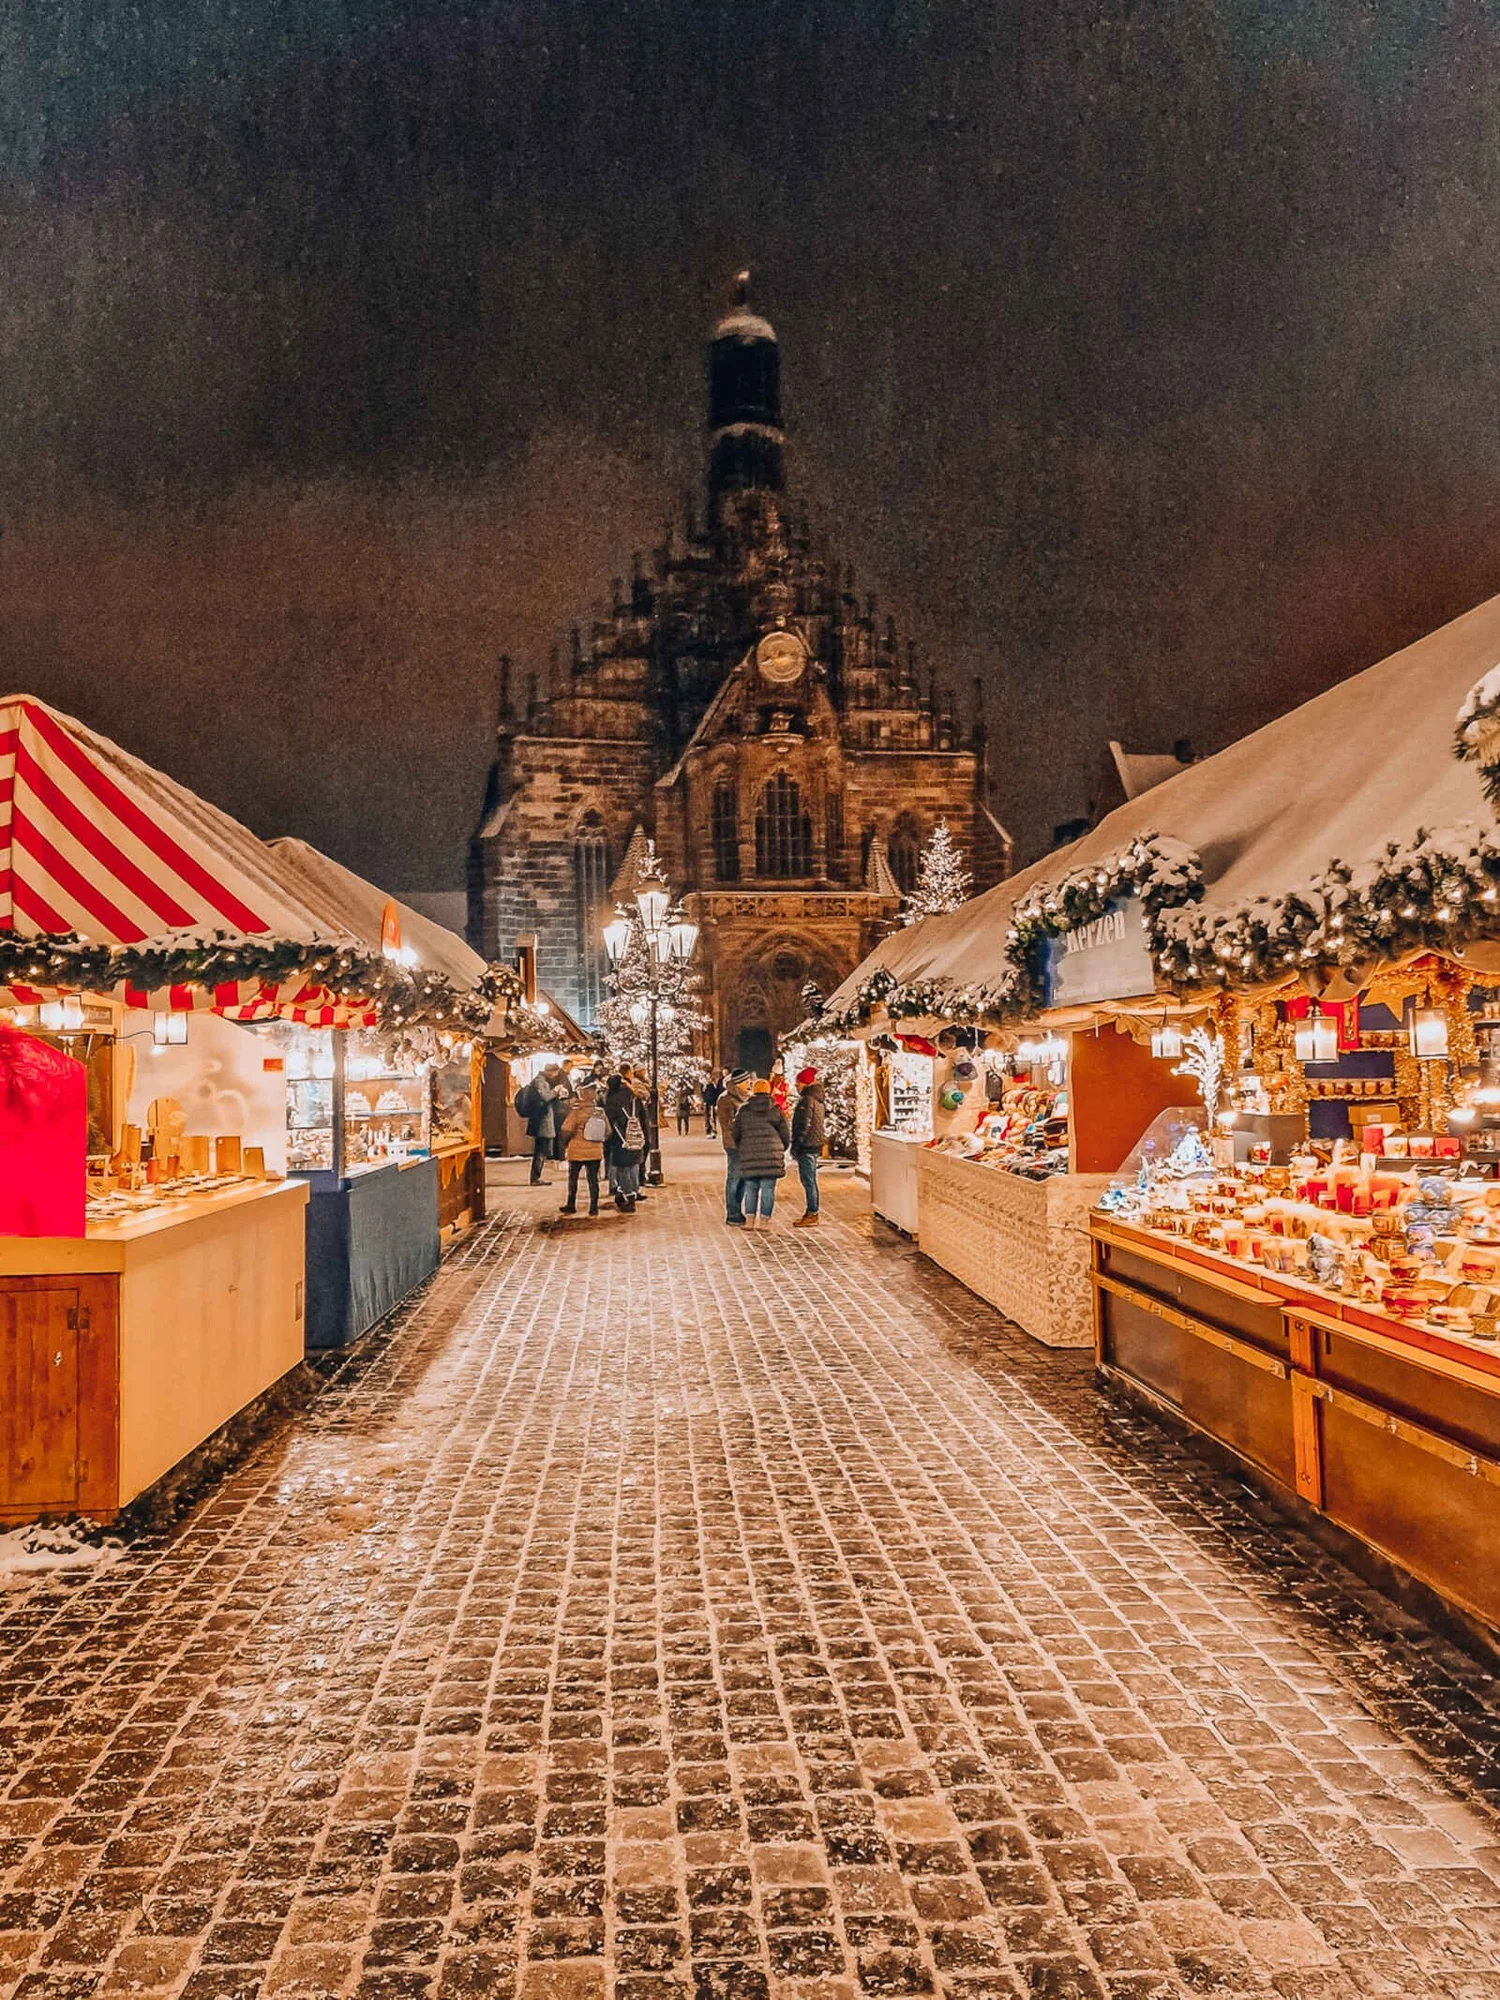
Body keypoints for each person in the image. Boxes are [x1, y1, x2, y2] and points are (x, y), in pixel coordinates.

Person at [733, 1078, 790, 1231]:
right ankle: (765, 1221)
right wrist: (781, 1148)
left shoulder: (744, 1111)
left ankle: (750, 1220)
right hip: (771, 1154)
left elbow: (736, 1133)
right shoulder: (775, 1110)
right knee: (768, 1188)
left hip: (750, 1154)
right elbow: (785, 1134)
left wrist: (742, 1148)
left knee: (750, 1187)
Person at [559, 1082, 607, 1215]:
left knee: (573, 1178)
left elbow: (566, 1129)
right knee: (593, 1180)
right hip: (595, 1151)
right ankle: (593, 1207)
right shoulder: (600, 1112)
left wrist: (566, 1143)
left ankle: (571, 1204)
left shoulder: (576, 1111)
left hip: (576, 1150)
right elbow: (608, 1131)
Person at [716, 1068, 754, 1225]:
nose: (750, 1084)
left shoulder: (745, 1096)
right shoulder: (726, 1099)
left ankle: (738, 1210)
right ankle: (732, 1212)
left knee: (743, 1178)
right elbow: (728, 1124)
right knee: (734, 1177)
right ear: (738, 1084)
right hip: (734, 1144)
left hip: (745, 1143)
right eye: (746, 1082)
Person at [605, 1071, 647, 1211]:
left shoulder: (611, 1100)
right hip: (636, 1137)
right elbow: (644, 1118)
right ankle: (627, 1192)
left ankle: (629, 1198)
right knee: (633, 1166)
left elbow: (609, 1123)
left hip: (620, 1139)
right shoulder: (634, 1098)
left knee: (622, 1170)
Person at [790, 1067, 826, 1226]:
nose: (796, 1086)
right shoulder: (817, 1099)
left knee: (808, 1180)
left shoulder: (807, 1100)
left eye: (798, 1083)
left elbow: (803, 1124)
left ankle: (812, 1213)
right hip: (814, 1143)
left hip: (807, 1145)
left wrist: (796, 1145)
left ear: (804, 1083)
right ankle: (811, 1212)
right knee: (810, 1179)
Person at [522, 1063, 565, 1184]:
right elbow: (545, 1097)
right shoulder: (539, 1082)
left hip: (542, 1120)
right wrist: (555, 1091)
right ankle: (535, 1178)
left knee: (541, 1150)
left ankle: (536, 1177)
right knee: (541, 1150)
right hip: (542, 1121)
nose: (555, 1076)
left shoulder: (540, 1081)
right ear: (550, 1071)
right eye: (555, 1073)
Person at [702, 1070, 723, 1137]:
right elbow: (702, 1093)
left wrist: (715, 1102)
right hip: (706, 1102)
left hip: (712, 1102)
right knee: (706, 1117)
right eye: (707, 1076)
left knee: (712, 1117)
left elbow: (716, 1092)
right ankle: (708, 1131)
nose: (709, 1078)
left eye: (710, 1076)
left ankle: (713, 1131)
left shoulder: (714, 1084)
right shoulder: (704, 1084)